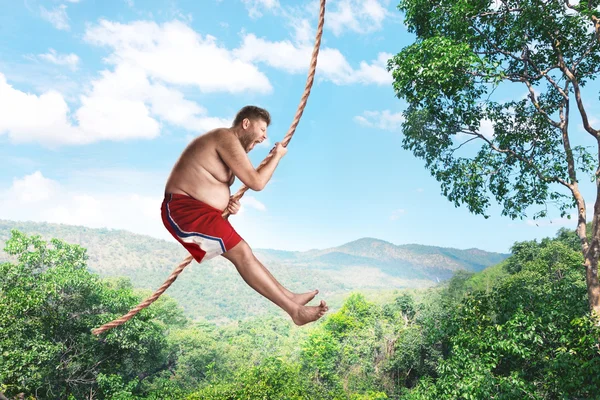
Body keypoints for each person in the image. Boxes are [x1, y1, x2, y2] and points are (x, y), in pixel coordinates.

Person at [161, 105, 329, 326]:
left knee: (245, 252)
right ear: (246, 124)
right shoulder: (224, 136)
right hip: (184, 211)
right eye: (261, 129)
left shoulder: (228, 147)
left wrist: (226, 204)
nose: (264, 137)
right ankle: (294, 311)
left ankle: (291, 297)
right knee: (242, 253)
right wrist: (277, 156)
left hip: (200, 211)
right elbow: (256, 182)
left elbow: (209, 183)